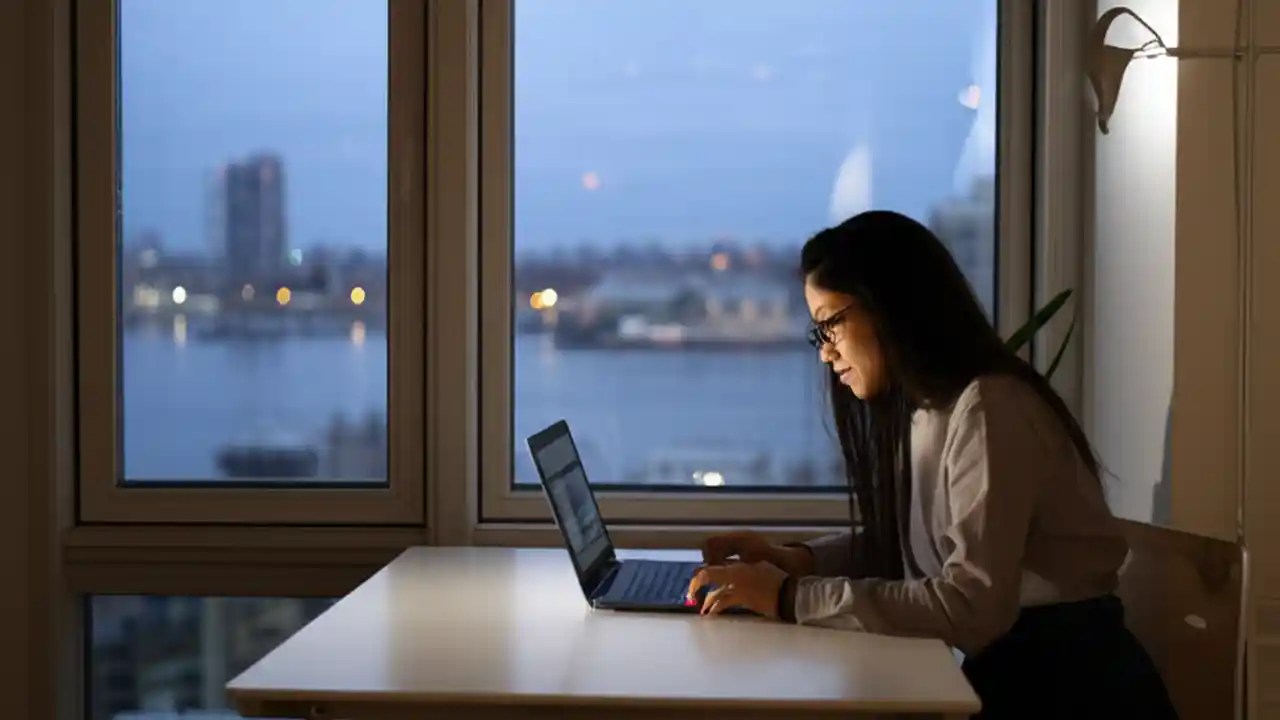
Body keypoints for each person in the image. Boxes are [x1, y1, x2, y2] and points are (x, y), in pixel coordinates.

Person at [685, 211, 1176, 718]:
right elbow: (916, 544)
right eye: (819, 333)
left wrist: (791, 597)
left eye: (831, 323)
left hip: (1066, 688)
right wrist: (799, 562)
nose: (826, 354)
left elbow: (970, 606)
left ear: (891, 307)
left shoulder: (990, 409)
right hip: (1019, 669)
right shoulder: (927, 408)